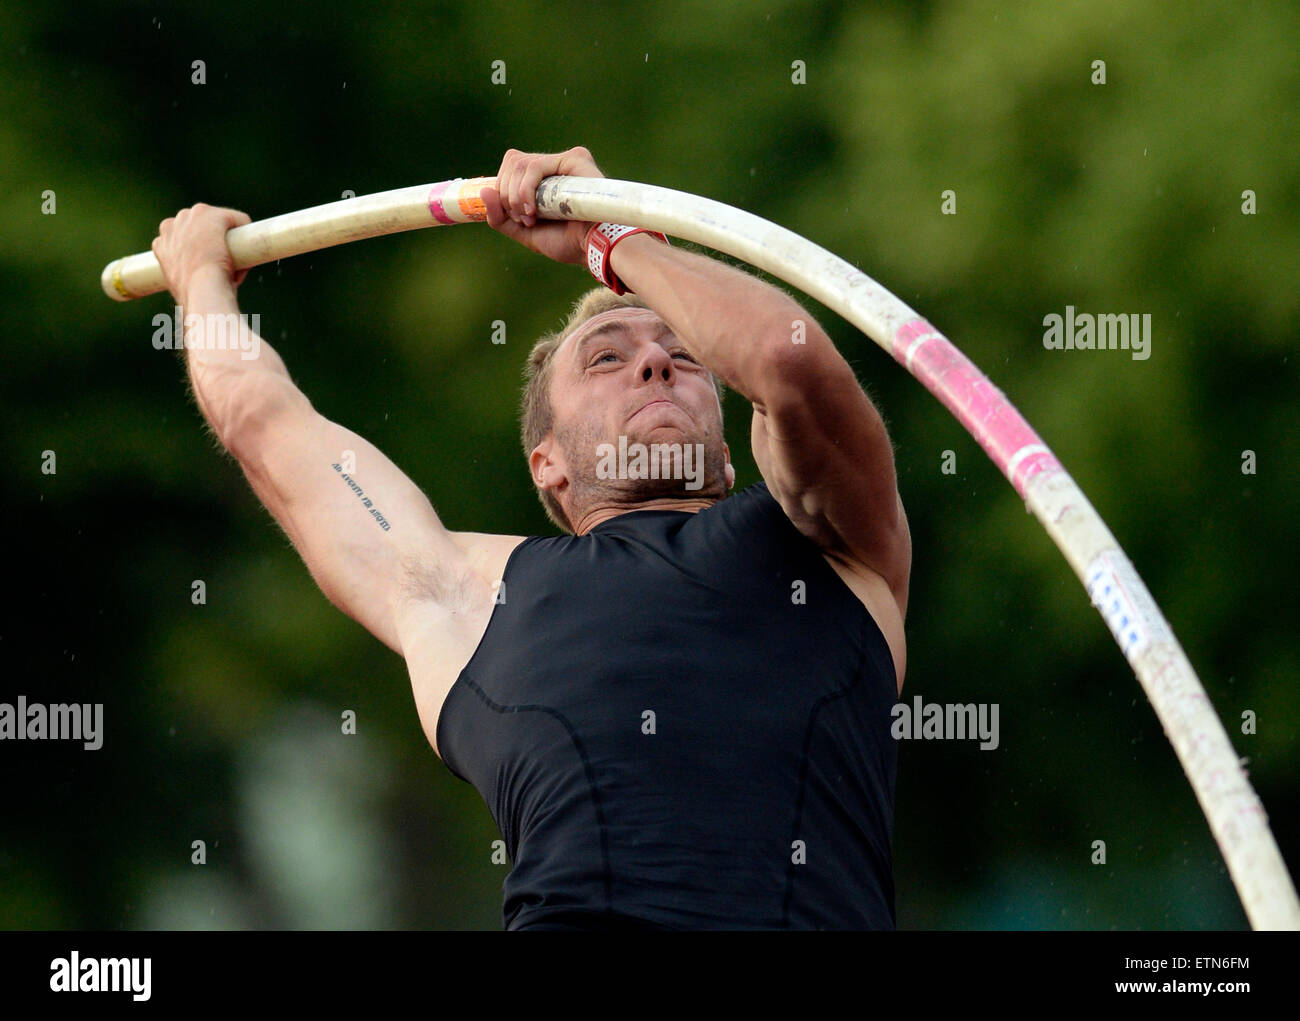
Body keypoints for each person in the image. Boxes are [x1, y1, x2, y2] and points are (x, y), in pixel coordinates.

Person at [150, 146, 911, 930]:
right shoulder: (463, 591)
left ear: (727, 441)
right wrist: (200, 276)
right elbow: (264, 422)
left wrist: (615, 237)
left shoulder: (826, 537)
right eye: (607, 357)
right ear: (546, 463)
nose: (654, 361)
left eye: (683, 355)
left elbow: (784, 354)